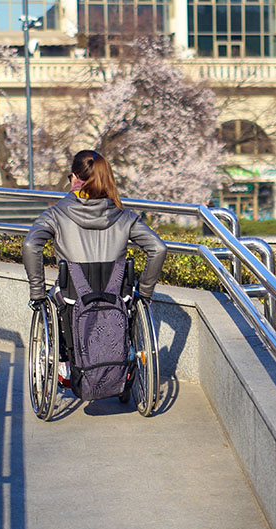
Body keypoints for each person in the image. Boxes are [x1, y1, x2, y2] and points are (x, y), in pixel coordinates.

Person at [22, 149, 168, 385]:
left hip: (72, 297)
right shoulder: (124, 215)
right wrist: (146, 293)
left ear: (73, 177)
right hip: (117, 296)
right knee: (129, 301)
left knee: (51, 298)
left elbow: (30, 245)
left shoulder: (56, 214)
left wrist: (37, 292)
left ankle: (65, 362)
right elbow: (158, 248)